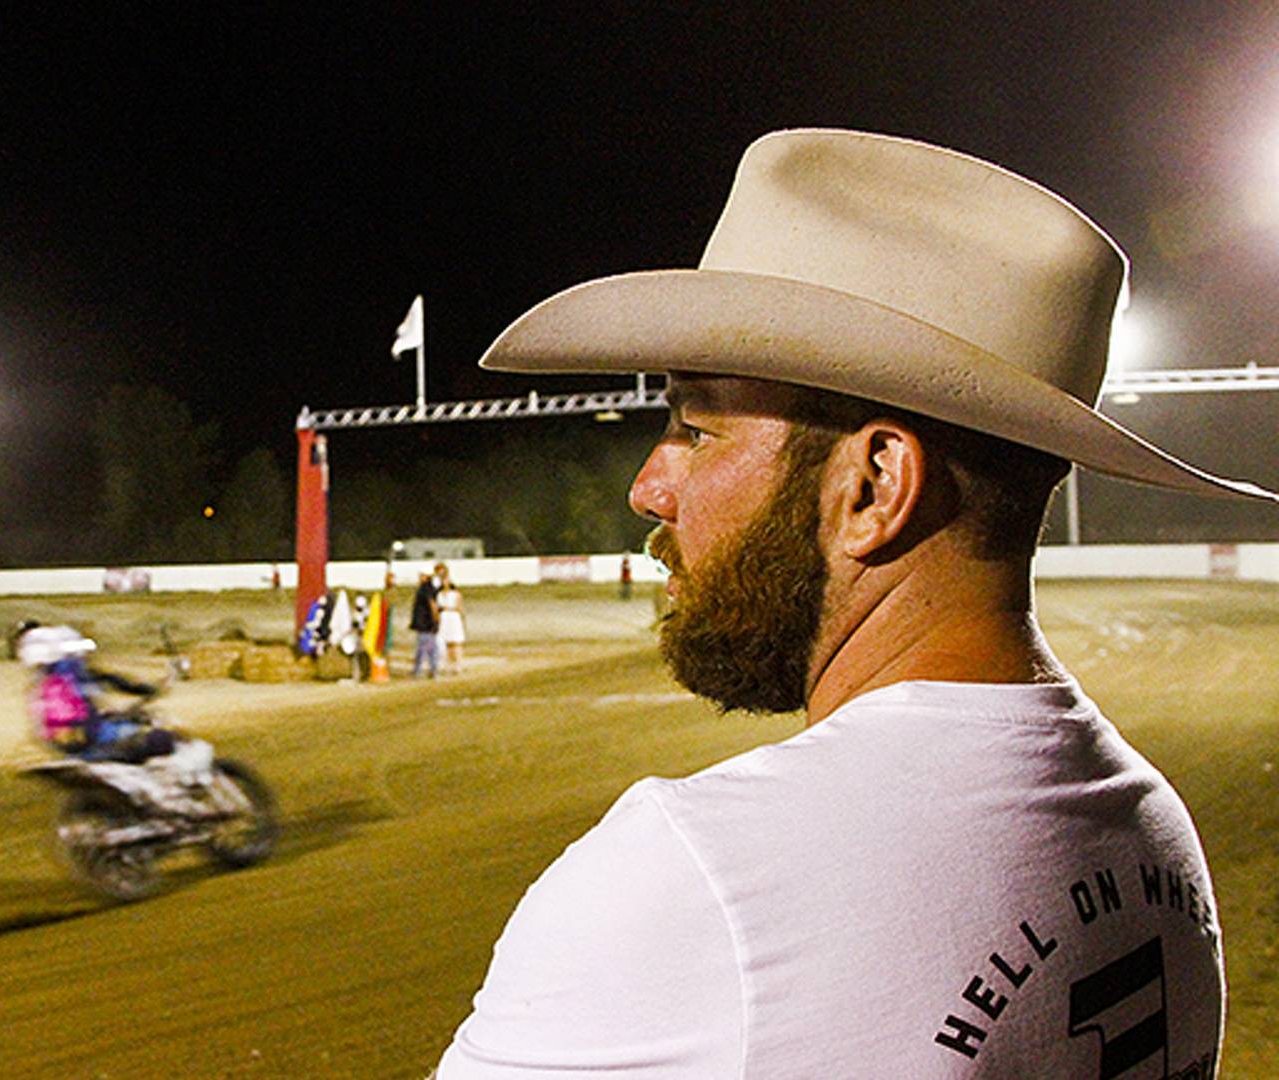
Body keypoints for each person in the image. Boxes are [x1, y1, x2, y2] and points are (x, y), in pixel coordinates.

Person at [435, 129, 1275, 1076]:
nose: (649, 486)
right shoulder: (1154, 832)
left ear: (875, 486)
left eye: (695, 428)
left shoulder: (700, 883)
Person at [14, 625, 173, 763]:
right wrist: (148, 690)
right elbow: (74, 730)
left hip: (82, 737)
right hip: (90, 742)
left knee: (137, 721)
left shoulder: (44, 683)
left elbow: (111, 681)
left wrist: (146, 691)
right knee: (160, 738)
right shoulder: (64, 680)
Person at [408, 570, 440, 679]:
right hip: (426, 622)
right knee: (430, 647)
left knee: (423, 648)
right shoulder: (428, 588)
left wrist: (435, 620)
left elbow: (432, 605)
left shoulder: (426, 589)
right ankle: (432, 669)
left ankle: (419, 670)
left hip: (425, 623)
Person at [436, 575, 466, 675]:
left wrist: (447, 608)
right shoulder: (439, 594)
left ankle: (458, 665)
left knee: (456, 642)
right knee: (445, 642)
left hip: (453, 617)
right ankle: (447, 665)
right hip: (444, 618)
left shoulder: (456, 594)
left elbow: (459, 607)